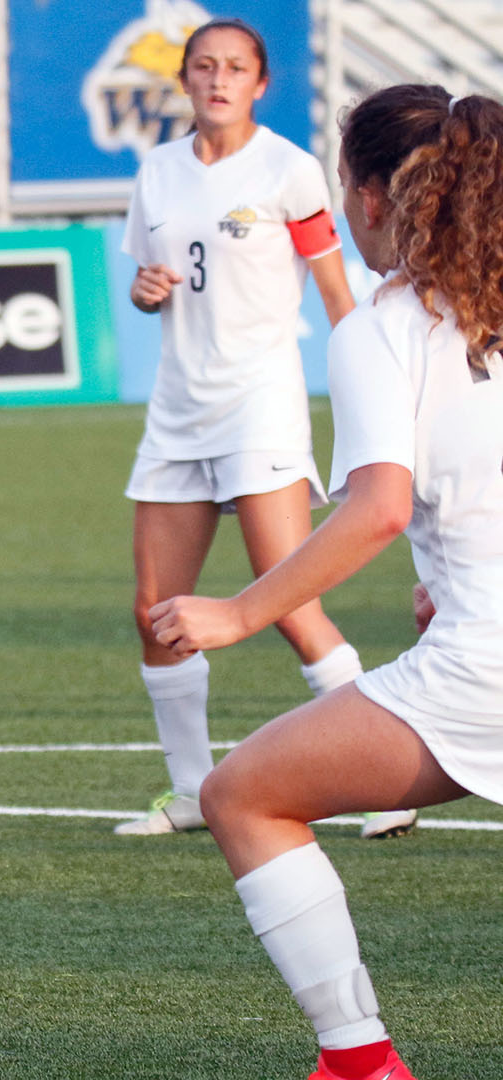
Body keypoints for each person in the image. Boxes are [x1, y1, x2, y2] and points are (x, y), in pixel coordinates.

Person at [151, 83, 503, 1080]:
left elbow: (380, 508)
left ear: (366, 198)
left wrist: (238, 611)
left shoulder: (386, 327)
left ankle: (358, 1059)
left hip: (485, 669)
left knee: (242, 796)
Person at [114, 18, 415, 840]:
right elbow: (151, 283)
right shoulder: (159, 173)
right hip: (177, 413)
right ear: (183, 80)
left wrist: (374, 378)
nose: (219, 79)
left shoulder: (288, 168)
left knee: (287, 598)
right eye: (204, 66)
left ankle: (390, 784)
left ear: (260, 84)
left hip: (261, 404)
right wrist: (147, 291)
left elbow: (334, 287)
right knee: (154, 610)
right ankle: (190, 791)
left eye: (236, 67)